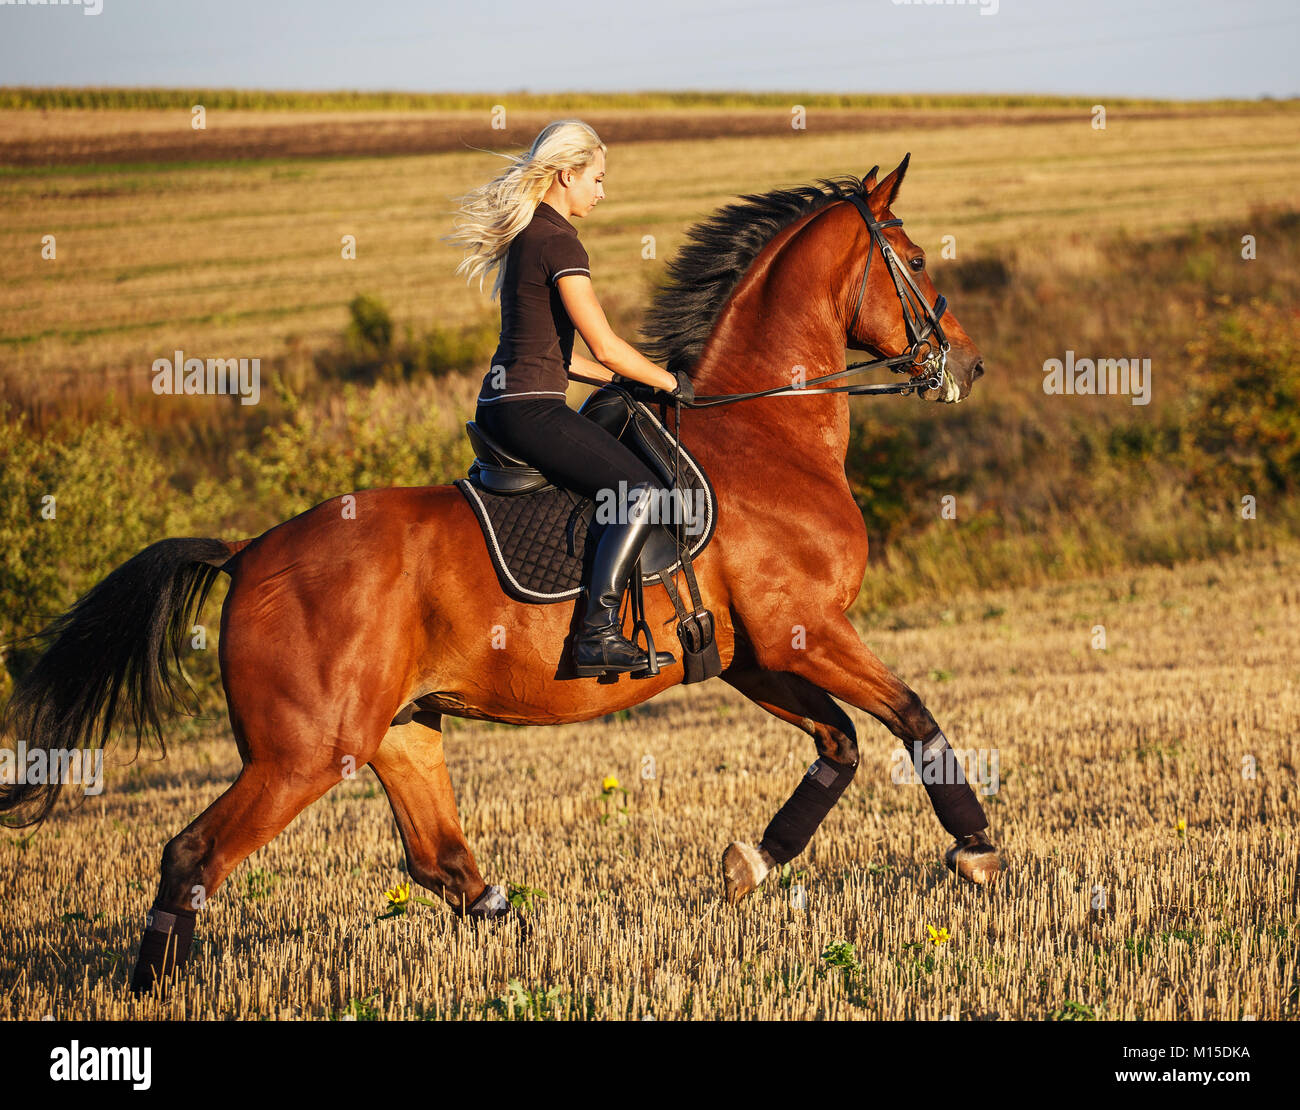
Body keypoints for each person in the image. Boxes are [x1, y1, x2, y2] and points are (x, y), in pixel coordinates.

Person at [447, 119, 694, 676]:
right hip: (530, 411)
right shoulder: (558, 240)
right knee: (639, 490)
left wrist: (619, 382)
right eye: (597, 179)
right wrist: (669, 382)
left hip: (511, 401)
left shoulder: (529, 233)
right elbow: (605, 346)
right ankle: (598, 632)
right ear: (566, 175)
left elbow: (556, 357)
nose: (603, 192)